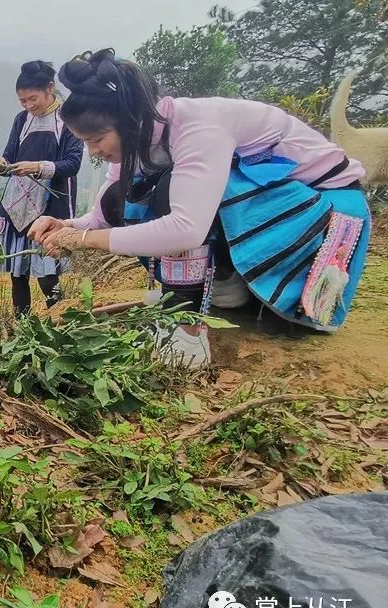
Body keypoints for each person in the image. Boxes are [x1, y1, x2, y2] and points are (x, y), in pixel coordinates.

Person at [30, 49, 370, 369]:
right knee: (124, 195)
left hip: (324, 212)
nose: (94, 150)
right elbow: (103, 214)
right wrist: (67, 226)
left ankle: (186, 329)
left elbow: (186, 229)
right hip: (275, 209)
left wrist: (86, 239)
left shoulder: (199, 128)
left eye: (97, 139)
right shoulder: (143, 140)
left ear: (130, 121)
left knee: (172, 191)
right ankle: (227, 283)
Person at [0, 61, 84, 317]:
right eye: (23, 101)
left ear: (50, 88)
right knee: (17, 273)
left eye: (33, 98)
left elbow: (72, 164)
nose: (29, 106)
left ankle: (62, 321)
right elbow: (10, 155)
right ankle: (22, 326)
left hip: (51, 207)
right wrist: (1, 165)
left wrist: (37, 167)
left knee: (47, 275)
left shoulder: (67, 120)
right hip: (16, 206)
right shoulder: (22, 120)